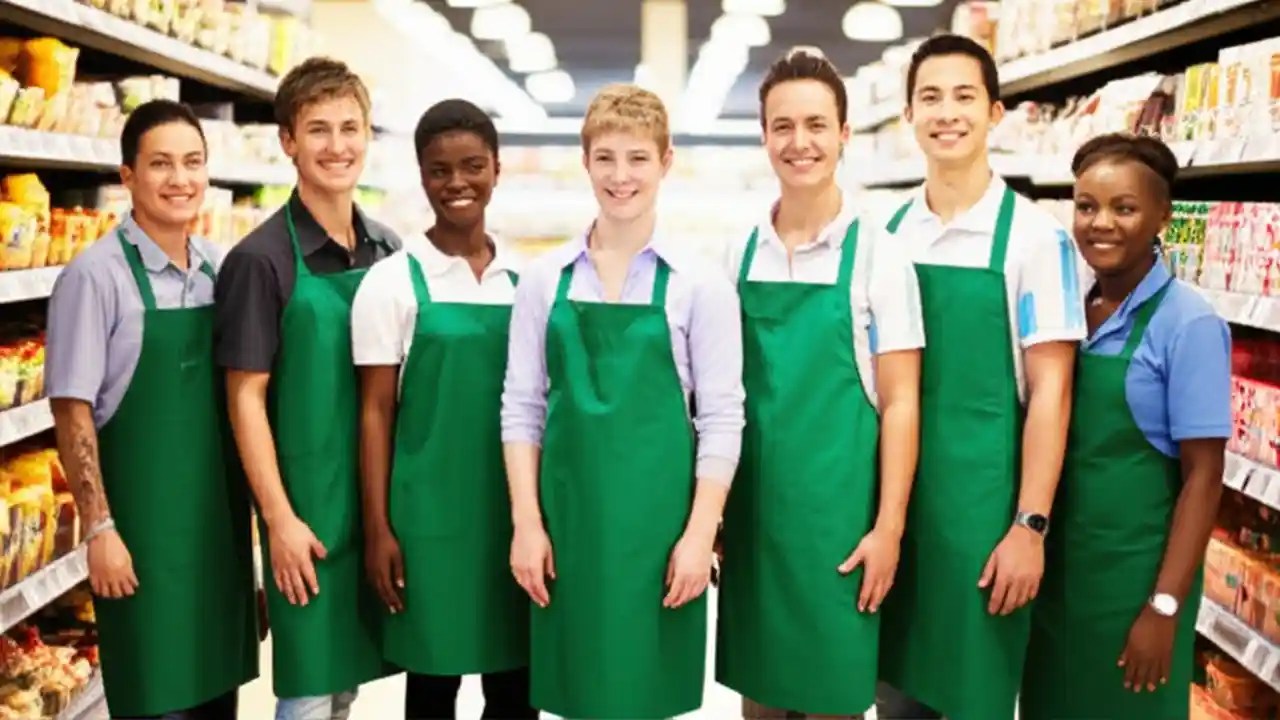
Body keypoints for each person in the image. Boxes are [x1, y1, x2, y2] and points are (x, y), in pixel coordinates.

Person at [501, 83, 745, 720]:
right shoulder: (543, 279)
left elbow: (722, 418)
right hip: (568, 531)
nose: (620, 175)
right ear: (585, 162)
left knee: (647, 698)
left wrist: (699, 535)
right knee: (575, 695)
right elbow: (521, 407)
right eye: (605, 157)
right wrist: (527, 524)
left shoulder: (700, 284)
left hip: (658, 540)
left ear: (666, 163)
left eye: (638, 158)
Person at [875, 34, 1086, 720]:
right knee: (898, 699)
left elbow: (1052, 392)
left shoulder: (1034, 237)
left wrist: (1030, 526)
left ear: (996, 112)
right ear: (908, 114)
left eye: (965, 96)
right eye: (930, 98)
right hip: (896, 516)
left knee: (974, 700)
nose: (947, 113)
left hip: (983, 521)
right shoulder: (888, 234)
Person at [715, 48, 923, 720]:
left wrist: (889, 528)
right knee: (762, 700)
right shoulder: (738, 250)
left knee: (836, 697)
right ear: (764, 136)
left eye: (814, 124)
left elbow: (900, 404)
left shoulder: (880, 256)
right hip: (753, 523)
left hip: (840, 528)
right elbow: (714, 398)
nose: (798, 142)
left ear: (844, 135)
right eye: (782, 126)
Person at [46, 99, 259, 720]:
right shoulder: (95, 277)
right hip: (141, 544)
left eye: (193, 162)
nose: (180, 179)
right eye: (161, 164)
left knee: (220, 705)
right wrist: (100, 530)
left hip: (216, 541)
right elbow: (72, 412)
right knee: (156, 702)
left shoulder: (224, 270)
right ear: (127, 177)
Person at [214, 56, 400, 720]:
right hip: (308, 516)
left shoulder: (388, 252)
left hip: (377, 510)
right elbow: (245, 398)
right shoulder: (258, 261)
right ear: (287, 140)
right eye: (317, 129)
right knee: (310, 687)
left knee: (346, 687)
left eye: (350, 127)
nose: (337, 145)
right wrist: (280, 521)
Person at [1020, 133, 1228, 719]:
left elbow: (1205, 478)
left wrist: (1163, 607)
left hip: (1133, 589)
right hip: (1056, 586)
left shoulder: (1188, 323)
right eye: (1086, 206)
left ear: (1162, 214)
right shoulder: (1064, 310)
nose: (1100, 223)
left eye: (1124, 207)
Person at [352, 99, 535, 720]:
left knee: (517, 686)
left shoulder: (527, 282)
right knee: (434, 687)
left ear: (496, 170)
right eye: (439, 170)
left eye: (472, 166)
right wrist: (378, 530)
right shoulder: (393, 282)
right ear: (421, 175)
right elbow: (376, 414)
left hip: (514, 516)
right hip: (427, 522)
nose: (457, 183)